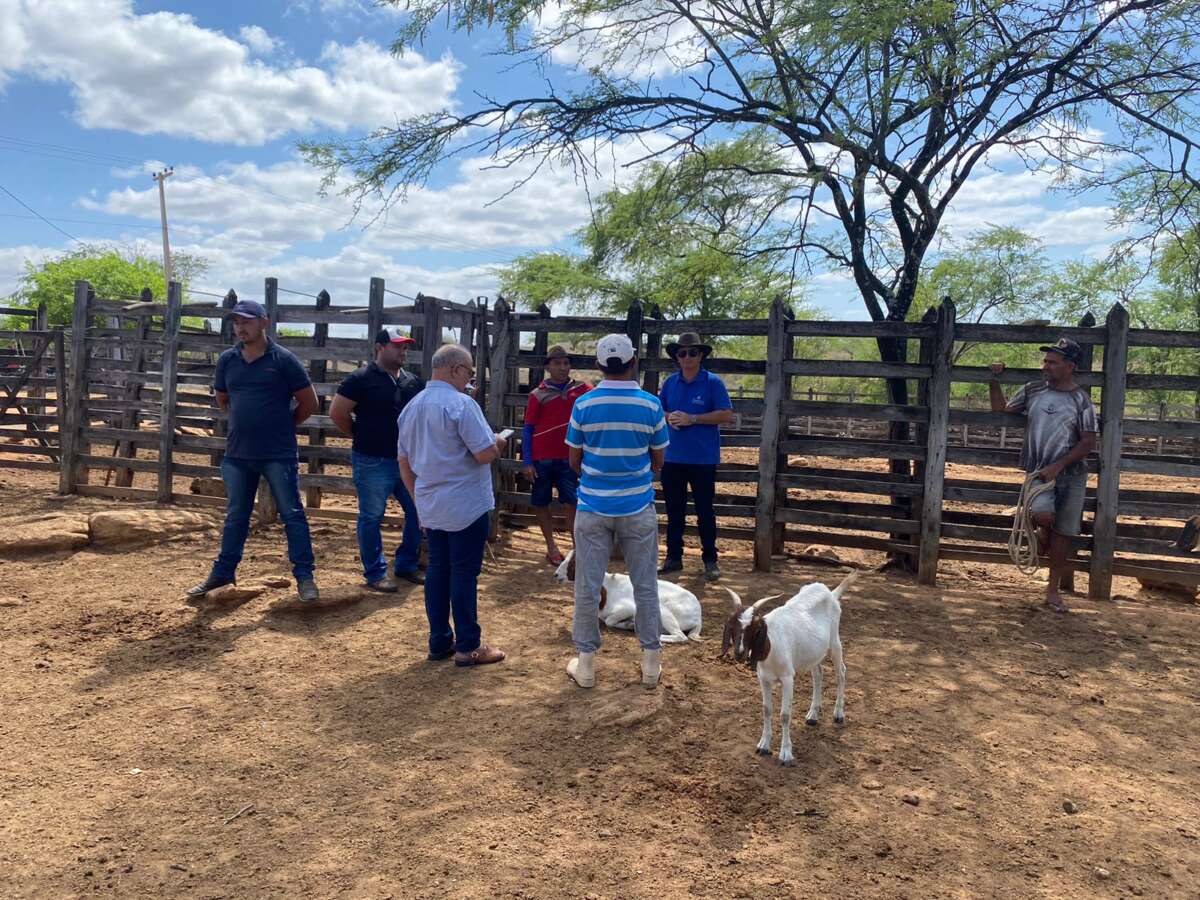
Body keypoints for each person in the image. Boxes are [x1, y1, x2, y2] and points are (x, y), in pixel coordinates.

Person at [187, 300, 321, 602]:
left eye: (246, 321)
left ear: (264, 322)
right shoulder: (227, 360)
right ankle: (223, 573)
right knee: (236, 515)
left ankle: (304, 577)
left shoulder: (284, 360)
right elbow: (224, 399)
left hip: (278, 452)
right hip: (237, 453)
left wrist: (284, 427)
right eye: (236, 322)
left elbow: (309, 403)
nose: (240, 327)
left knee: (292, 514)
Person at [564, 333, 670, 689]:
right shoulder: (651, 405)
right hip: (637, 506)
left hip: (593, 505)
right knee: (645, 584)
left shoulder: (584, 405)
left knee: (587, 586)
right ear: (633, 362)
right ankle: (651, 664)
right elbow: (659, 460)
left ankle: (587, 665)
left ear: (598, 365)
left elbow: (573, 459)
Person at [397, 344, 508, 667]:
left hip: (431, 503)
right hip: (465, 504)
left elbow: (404, 462)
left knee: (437, 572)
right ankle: (469, 645)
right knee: (463, 574)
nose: (470, 380)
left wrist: (418, 501)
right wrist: (499, 441)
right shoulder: (462, 405)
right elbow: (484, 454)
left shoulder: (411, 408)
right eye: (470, 373)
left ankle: (439, 640)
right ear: (456, 369)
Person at [989, 337, 1098, 613]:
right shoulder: (1032, 390)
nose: (1045, 366)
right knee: (1043, 516)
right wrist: (993, 379)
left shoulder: (1081, 400)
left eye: (1053, 362)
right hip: (1038, 470)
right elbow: (1000, 410)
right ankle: (1042, 530)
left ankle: (1052, 591)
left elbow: (1087, 442)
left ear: (1070, 366)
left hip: (1070, 473)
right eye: (1045, 361)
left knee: (1064, 532)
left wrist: (1059, 466)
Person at [330, 328, 425, 592]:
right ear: (380, 347)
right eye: (397, 346)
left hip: (407, 460)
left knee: (418, 511)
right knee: (372, 516)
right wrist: (360, 435)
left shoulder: (412, 381)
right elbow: (338, 413)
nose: (403, 351)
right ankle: (375, 572)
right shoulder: (359, 379)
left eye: (405, 347)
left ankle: (406, 564)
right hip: (372, 459)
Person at [657, 332, 733, 581]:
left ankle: (710, 559)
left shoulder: (713, 383)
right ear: (677, 357)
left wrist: (694, 419)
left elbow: (725, 414)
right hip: (673, 457)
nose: (687, 357)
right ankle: (673, 558)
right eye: (682, 353)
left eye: (692, 353)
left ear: (701, 355)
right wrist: (672, 417)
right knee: (674, 510)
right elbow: (660, 411)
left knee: (705, 510)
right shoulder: (670, 383)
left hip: (703, 458)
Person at [522, 345, 592, 565]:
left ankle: (576, 548)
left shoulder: (584, 390)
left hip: (569, 458)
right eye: (557, 363)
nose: (563, 368)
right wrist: (527, 461)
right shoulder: (538, 394)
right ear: (548, 367)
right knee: (542, 502)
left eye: (566, 363)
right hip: (542, 458)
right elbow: (528, 428)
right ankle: (551, 546)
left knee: (572, 502)